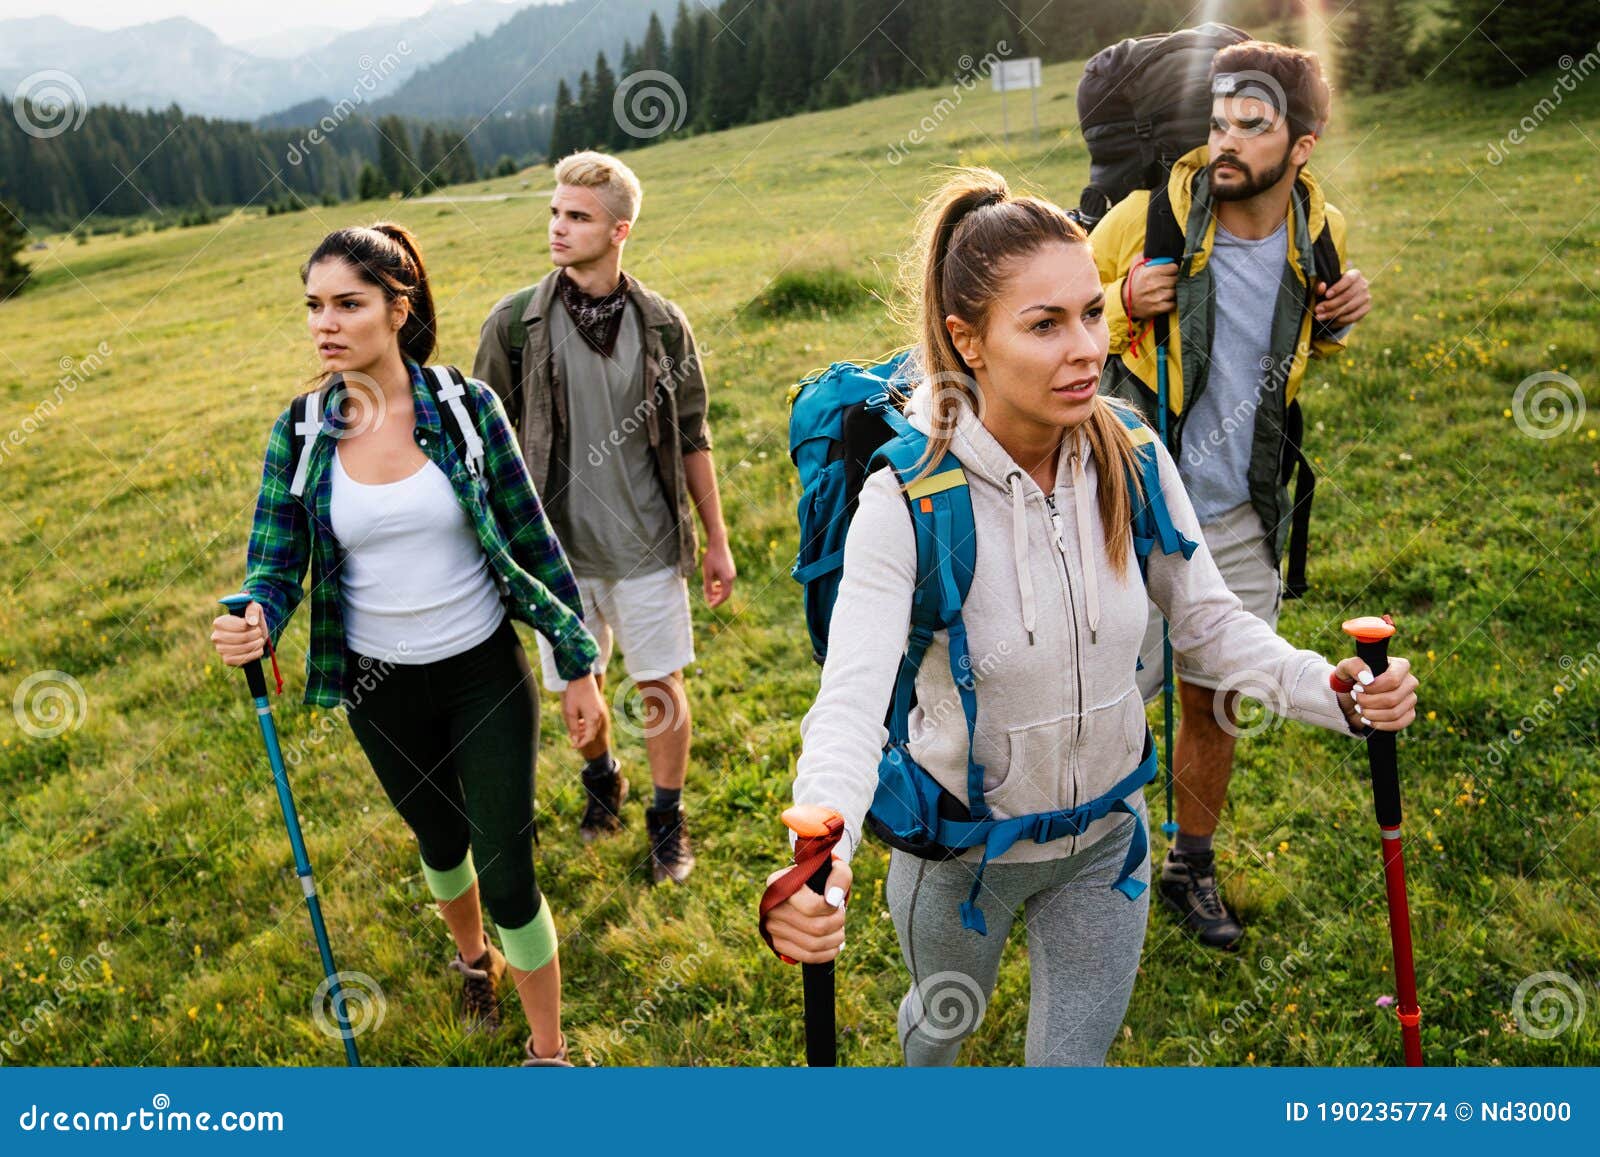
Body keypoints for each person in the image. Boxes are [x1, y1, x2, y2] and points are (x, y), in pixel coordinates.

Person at [762, 170, 1416, 1066]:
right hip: (960, 857)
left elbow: (1211, 624)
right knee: (940, 1027)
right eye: (1044, 324)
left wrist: (1329, 690)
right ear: (969, 340)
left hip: (1109, 842)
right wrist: (822, 845)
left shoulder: (1133, 452)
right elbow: (848, 700)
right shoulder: (906, 499)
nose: (1085, 348)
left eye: (1089, 314)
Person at [210, 223, 605, 1066]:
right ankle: (473, 962)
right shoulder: (304, 430)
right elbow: (275, 564)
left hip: (482, 673)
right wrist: (256, 618)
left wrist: (579, 664)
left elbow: (534, 544)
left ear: (399, 307)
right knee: (439, 840)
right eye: (314, 305)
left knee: (506, 872)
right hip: (376, 687)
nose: (326, 323)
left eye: (348, 303)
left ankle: (549, 1052)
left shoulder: (464, 409)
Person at [1090, 40, 1373, 949]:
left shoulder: (1313, 232)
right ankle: (1095, 870)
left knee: (1213, 694)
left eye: (1252, 125)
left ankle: (1190, 866)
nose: (1227, 140)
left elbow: (1290, 349)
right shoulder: (1146, 218)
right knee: (1103, 698)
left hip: (1243, 507)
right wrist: (1120, 295)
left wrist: (1337, 319)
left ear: (1303, 144)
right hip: (1126, 504)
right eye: (1218, 121)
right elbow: (1049, 321)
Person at [474, 151, 734, 885]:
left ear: (619, 230)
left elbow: (692, 434)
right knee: (577, 699)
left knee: (660, 688)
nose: (558, 228)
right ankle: (601, 781)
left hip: (648, 545)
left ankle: (667, 820)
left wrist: (715, 540)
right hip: (556, 557)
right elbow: (481, 445)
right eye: (555, 213)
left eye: (577, 216)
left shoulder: (663, 326)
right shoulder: (513, 326)